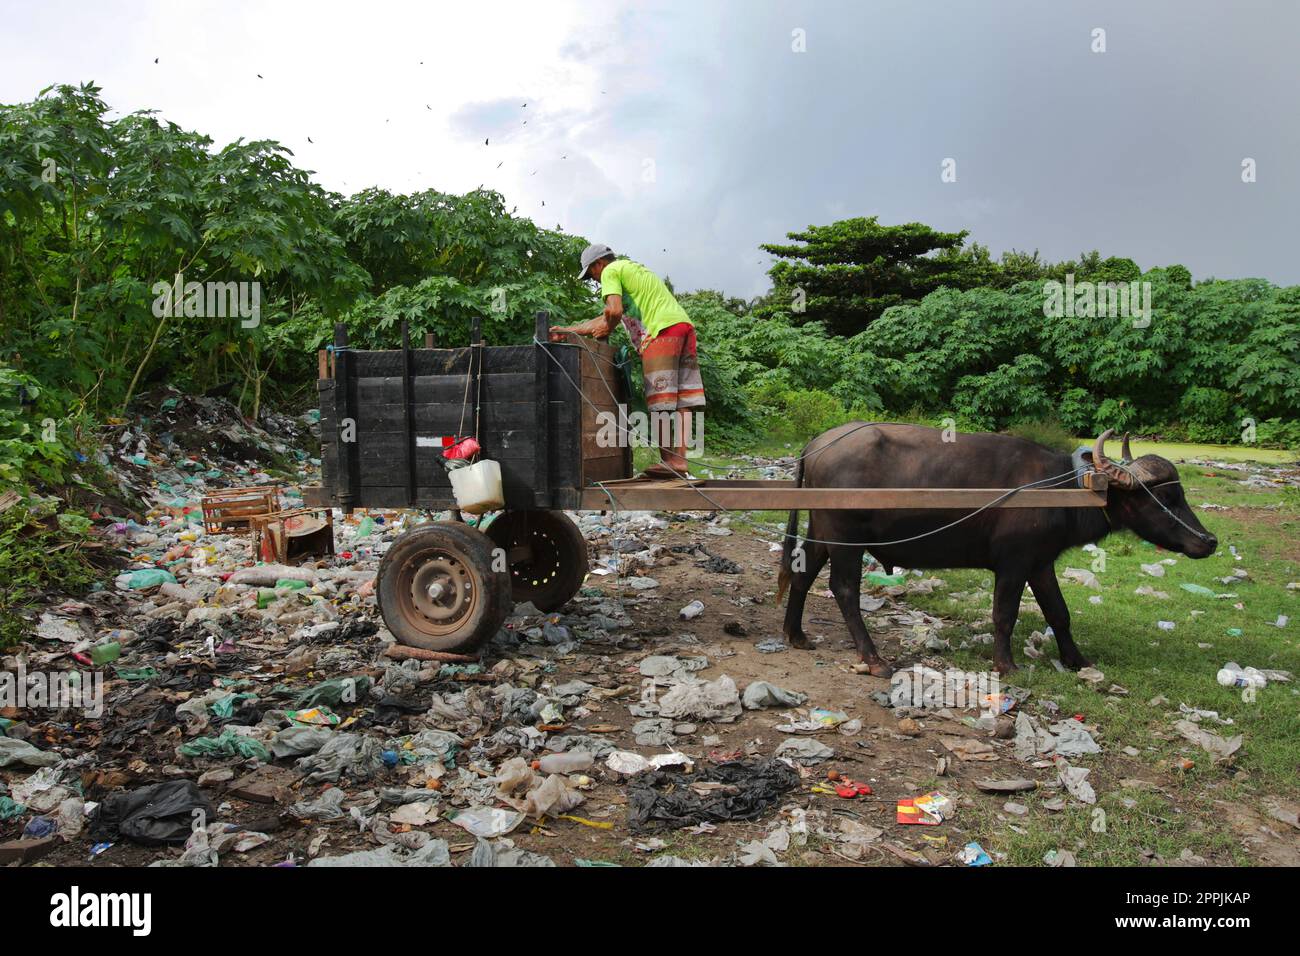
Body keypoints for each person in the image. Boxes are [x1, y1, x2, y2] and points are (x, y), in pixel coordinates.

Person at [550, 243, 704, 479]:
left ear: (599, 264)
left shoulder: (611, 271)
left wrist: (608, 327)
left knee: (660, 399)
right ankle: (679, 461)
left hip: (661, 332)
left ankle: (667, 463)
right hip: (683, 326)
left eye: (592, 274)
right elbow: (604, 318)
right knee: (683, 402)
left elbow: (613, 312)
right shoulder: (633, 270)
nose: (596, 280)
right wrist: (570, 331)